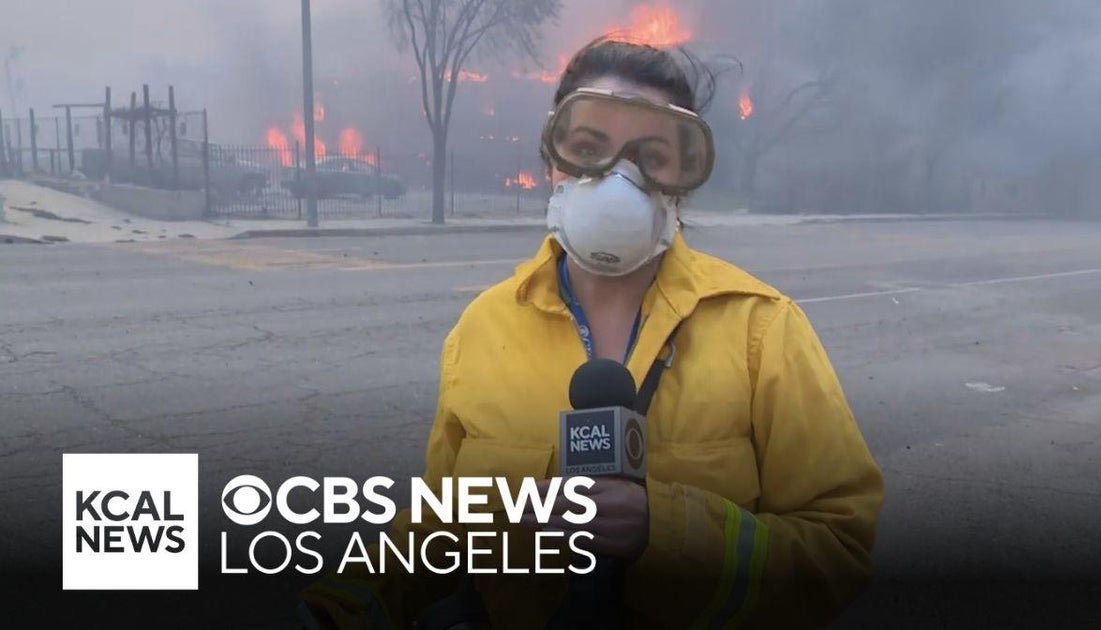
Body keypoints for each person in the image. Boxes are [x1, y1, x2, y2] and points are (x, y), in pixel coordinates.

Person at [301, 36, 883, 630]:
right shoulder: (483, 329)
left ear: (681, 180)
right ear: (552, 161)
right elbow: (436, 531)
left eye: (650, 157)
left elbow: (839, 547)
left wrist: (666, 528)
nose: (616, 179)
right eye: (587, 147)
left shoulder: (761, 329)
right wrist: (339, 608)